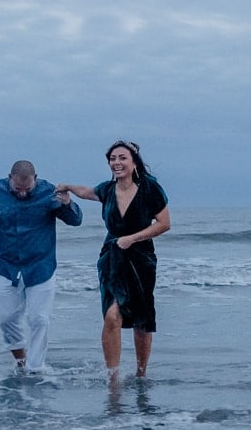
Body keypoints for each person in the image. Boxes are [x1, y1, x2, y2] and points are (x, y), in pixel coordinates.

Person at [57, 141, 171, 377]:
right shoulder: (107, 190)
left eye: (122, 158)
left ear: (133, 161)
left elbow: (164, 224)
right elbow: (87, 192)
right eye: (112, 159)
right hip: (112, 257)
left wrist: (133, 238)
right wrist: (67, 186)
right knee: (112, 315)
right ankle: (113, 377)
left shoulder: (150, 188)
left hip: (141, 259)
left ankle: (141, 373)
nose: (116, 163)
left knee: (141, 320)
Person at [0, 160, 82, 372]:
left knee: (39, 320)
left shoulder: (49, 192)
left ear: (36, 179)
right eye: (17, 189)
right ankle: (21, 359)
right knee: (7, 320)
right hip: (8, 266)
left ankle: (35, 368)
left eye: (27, 189)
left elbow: (76, 220)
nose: (22, 193)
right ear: (9, 178)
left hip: (41, 266)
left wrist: (68, 204)